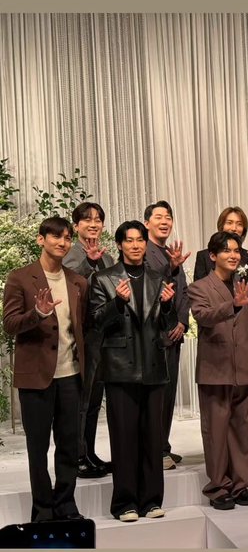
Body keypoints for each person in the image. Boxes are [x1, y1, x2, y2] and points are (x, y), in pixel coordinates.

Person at [89, 221, 177, 521]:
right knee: (124, 439)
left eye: (140, 240)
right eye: (129, 240)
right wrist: (118, 302)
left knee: (153, 439)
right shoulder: (103, 279)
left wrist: (168, 307)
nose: (136, 245)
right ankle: (124, 504)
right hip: (120, 368)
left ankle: (151, 501)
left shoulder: (158, 277)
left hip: (153, 366)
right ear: (120, 245)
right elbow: (96, 321)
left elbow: (168, 326)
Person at [2, 217, 88, 521]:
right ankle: (42, 509)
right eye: (56, 237)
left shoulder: (78, 281)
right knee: (37, 448)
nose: (62, 243)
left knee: (69, 446)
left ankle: (66, 503)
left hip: (70, 375)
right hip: (36, 377)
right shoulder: (20, 278)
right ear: (41, 239)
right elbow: (10, 324)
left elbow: (84, 327)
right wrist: (37, 313)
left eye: (67, 238)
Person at [188, 231, 248, 510]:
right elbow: (203, 317)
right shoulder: (199, 287)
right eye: (226, 251)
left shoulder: (242, 285)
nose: (233, 255)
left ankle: (241, 485)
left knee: (245, 431)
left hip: (243, 369)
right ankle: (218, 487)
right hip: (215, 370)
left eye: (236, 251)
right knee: (216, 433)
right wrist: (231, 305)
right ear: (213, 256)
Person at [63, 201, 115, 478]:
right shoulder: (69, 255)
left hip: (103, 337)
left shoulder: (108, 258)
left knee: (95, 400)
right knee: (81, 400)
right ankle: (77, 457)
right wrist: (90, 263)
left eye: (98, 220)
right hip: (80, 338)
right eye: (87, 220)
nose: (93, 224)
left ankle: (89, 452)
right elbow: (70, 286)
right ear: (76, 226)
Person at [143, 200, 191, 470]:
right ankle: (154, 450)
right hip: (155, 335)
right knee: (156, 397)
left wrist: (182, 321)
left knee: (169, 394)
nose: (165, 221)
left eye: (168, 217)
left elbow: (184, 291)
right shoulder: (144, 251)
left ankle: (163, 446)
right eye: (159, 217)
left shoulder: (170, 252)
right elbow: (152, 289)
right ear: (147, 222)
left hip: (174, 333)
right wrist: (170, 269)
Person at [193, 206, 248, 290]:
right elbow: (199, 289)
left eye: (239, 224)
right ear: (221, 226)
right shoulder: (204, 256)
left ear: (243, 230)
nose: (234, 228)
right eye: (229, 223)